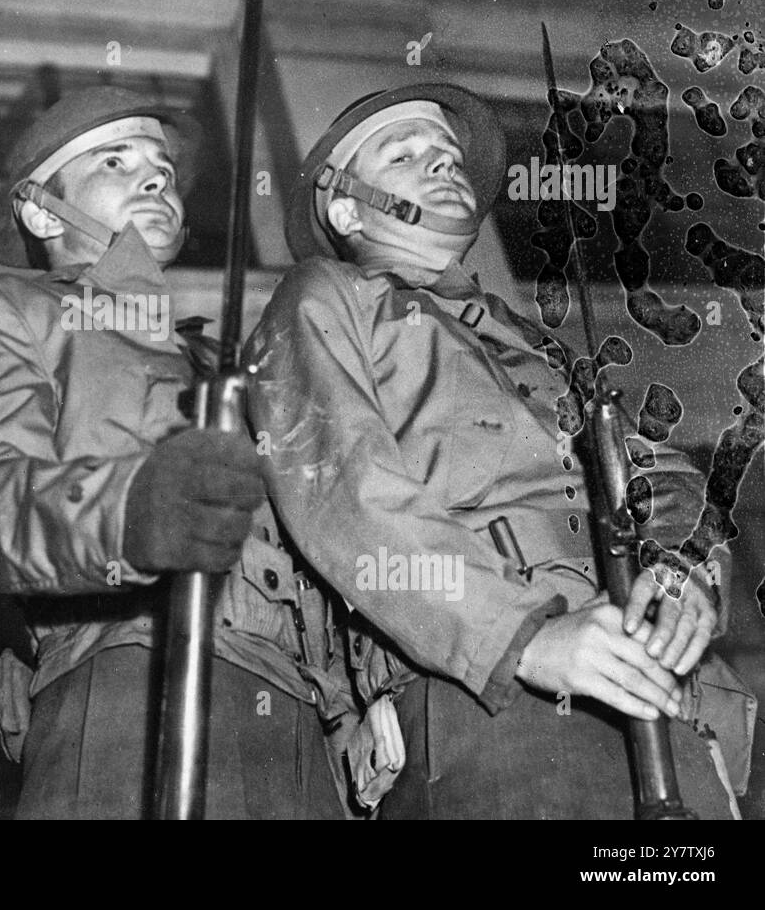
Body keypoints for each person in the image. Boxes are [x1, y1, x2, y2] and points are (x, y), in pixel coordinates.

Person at [247, 82, 756, 819]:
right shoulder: (326, 295)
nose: (441, 162)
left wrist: (682, 574)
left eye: (447, 152)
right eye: (406, 153)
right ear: (347, 206)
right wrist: (523, 638)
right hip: (488, 690)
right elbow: (345, 494)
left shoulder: (531, 342)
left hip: (653, 685)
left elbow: (661, 473)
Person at [0, 86, 350, 819]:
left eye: (163, 168)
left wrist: (348, 704)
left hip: (295, 717)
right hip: (125, 682)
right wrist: (129, 515)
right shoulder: (3, 312)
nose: (156, 176)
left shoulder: (222, 362)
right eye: (115, 159)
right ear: (43, 211)